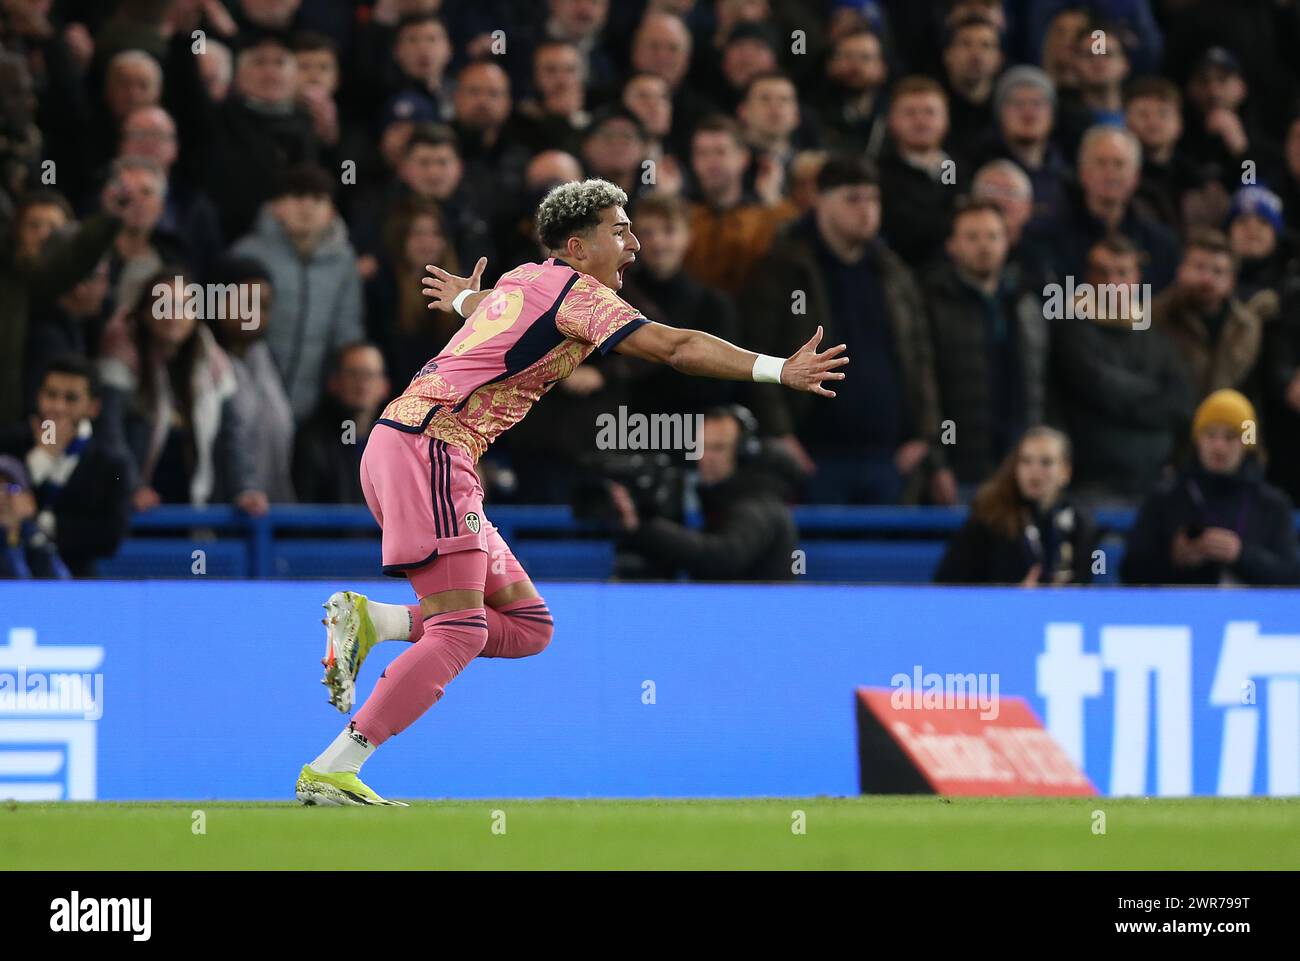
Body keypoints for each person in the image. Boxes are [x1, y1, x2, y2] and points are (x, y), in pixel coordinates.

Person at [295, 178, 848, 805]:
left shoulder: (524, 279)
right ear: (578, 247)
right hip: (434, 452)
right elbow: (676, 347)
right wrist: (777, 369)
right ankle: (334, 768)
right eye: (620, 231)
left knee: (529, 625)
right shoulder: (580, 296)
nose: (634, 244)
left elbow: (491, 316)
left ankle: (376, 619)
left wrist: (461, 300)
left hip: (404, 446)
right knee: (461, 631)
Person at [1121, 389, 1299, 586]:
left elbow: (1291, 575)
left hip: (1251, 614)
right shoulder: (1166, 497)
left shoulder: (1272, 504)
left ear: (1247, 444)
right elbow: (1130, 570)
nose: (1219, 447)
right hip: (1180, 611)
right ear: (1197, 440)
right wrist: (1174, 558)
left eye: (1231, 437)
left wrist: (1241, 555)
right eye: (1210, 435)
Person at [610, 405, 801, 581]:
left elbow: (721, 558)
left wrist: (645, 528)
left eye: (718, 448)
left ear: (743, 453)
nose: (705, 457)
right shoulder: (723, 499)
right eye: (701, 447)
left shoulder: (759, 505)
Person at [0, 355, 132, 577]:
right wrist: (41, 459)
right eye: (51, 395)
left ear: (93, 407)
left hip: (78, 583)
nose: (58, 407)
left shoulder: (111, 463)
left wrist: (39, 521)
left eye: (71, 399)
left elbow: (109, 537)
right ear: (39, 396)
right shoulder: (10, 443)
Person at [934, 426, 1096, 585]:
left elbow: (1084, 585)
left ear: (1065, 472)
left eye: (1046, 462)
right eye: (1026, 461)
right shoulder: (989, 518)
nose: (1034, 471)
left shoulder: (1079, 521)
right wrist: (1012, 598)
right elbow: (946, 584)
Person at [293, 343, 391, 505]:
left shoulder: (395, 444)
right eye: (353, 374)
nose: (362, 383)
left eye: (370, 375)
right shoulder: (312, 441)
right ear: (334, 383)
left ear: (384, 387)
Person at [0, 455, 70, 580]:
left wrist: (13, 536)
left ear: (30, 501)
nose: (2, 498)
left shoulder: (36, 540)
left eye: (11, 488)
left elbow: (63, 584)